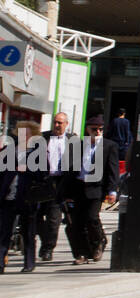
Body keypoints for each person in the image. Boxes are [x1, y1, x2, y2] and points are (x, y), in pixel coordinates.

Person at [66, 115, 118, 264]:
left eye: (101, 129)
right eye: (94, 129)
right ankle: (81, 253)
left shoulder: (109, 146)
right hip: (79, 187)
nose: (98, 132)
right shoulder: (79, 145)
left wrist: (112, 190)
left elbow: (113, 169)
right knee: (77, 222)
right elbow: (71, 169)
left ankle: (98, 243)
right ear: (88, 130)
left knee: (92, 218)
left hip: (96, 188)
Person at [33, 112, 73, 261]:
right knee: (36, 216)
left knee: (54, 219)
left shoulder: (72, 141)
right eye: (55, 122)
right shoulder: (42, 138)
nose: (57, 125)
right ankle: (45, 241)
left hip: (60, 183)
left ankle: (48, 248)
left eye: (60, 123)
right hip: (43, 182)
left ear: (66, 124)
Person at [0, 132, 33, 273]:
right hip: (8, 198)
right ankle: (0, 263)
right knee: (4, 232)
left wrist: (27, 169)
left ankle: (29, 263)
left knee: (28, 232)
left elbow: (43, 174)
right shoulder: (7, 153)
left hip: (27, 200)